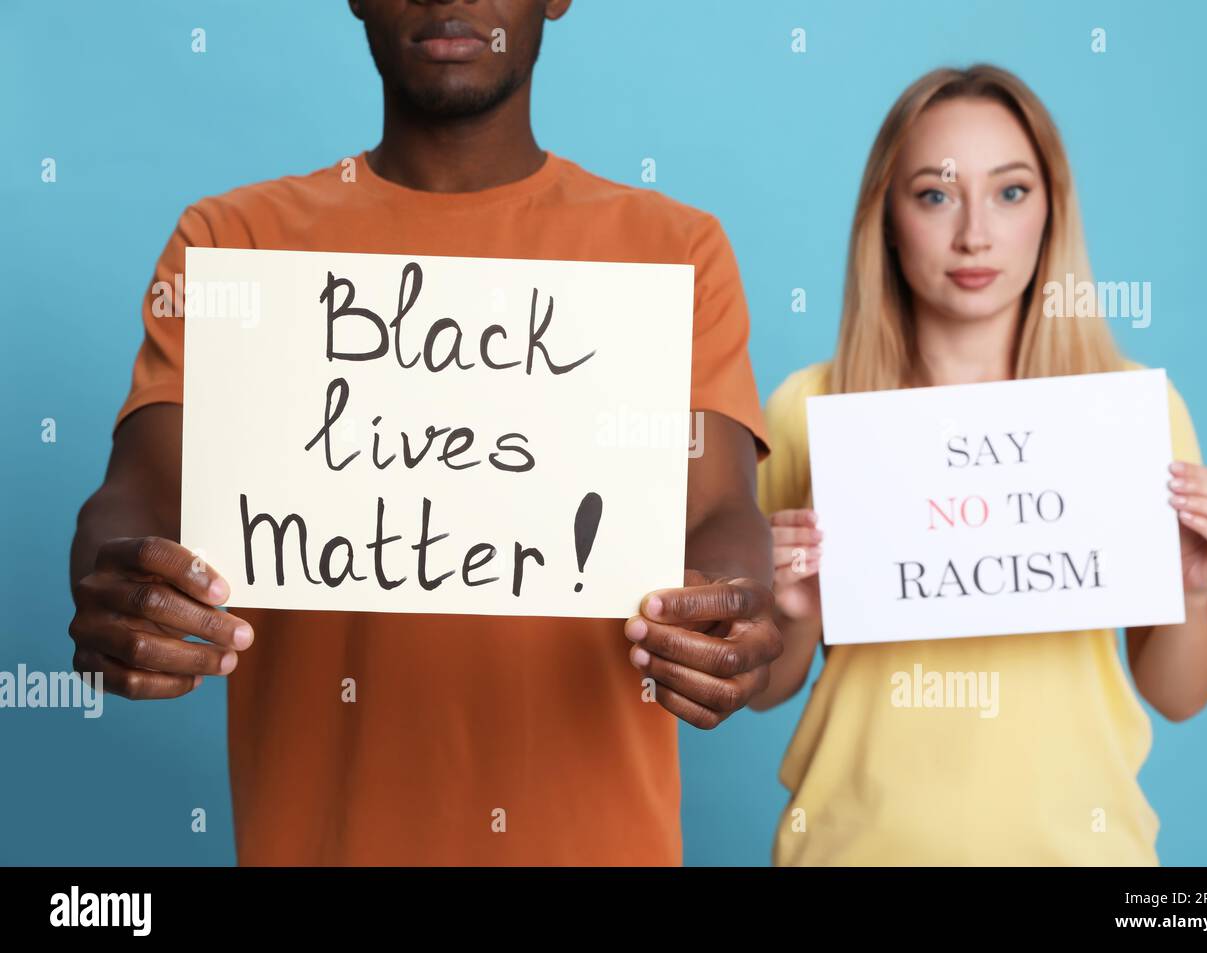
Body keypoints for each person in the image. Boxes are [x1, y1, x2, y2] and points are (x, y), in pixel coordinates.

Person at [67, 0, 781, 866]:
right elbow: (140, 487)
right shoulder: (232, 245)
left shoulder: (676, 252)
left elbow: (720, 510)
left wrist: (731, 606)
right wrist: (117, 580)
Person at [751, 65, 1207, 866]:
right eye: (936, 194)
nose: (975, 235)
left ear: (1052, 210)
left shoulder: (1131, 411)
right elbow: (765, 687)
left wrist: (1190, 590)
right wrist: (796, 605)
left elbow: (1179, 695)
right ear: (885, 216)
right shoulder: (807, 410)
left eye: (1011, 192)